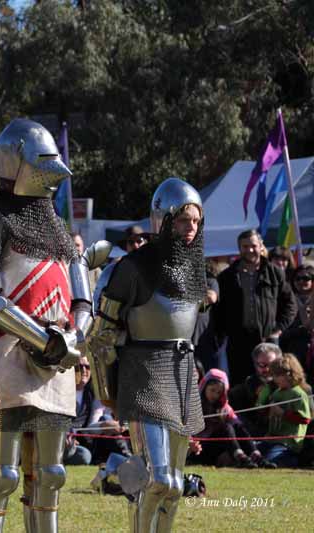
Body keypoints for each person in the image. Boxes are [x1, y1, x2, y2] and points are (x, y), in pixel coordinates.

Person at [0, 118, 91, 533]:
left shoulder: (60, 233)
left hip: (57, 366)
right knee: (0, 477)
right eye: (44, 162)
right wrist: (42, 338)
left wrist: (72, 339)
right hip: (5, 361)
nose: (52, 174)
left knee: (50, 477)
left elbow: (82, 300)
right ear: (16, 164)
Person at [87, 177, 206, 532]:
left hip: (182, 374)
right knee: (159, 480)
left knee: (174, 490)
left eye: (197, 221)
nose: (190, 228)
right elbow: (100, 337)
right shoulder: (132, 268)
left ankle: (115, 473)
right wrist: (104, 390)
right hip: (144, 373)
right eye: (184, 220)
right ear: (164, 219)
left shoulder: (193, 269)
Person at [214, 229, 297, 385]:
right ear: (239, 249)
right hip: (238, 343)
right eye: (245, 246)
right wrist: (224, 333)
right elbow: (218, 311)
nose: (250, 250)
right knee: (242, 385)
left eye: (253, 245)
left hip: (268, 341)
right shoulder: (226, 277)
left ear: (261, 245)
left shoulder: (275, 273)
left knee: (274, 383)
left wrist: (278, 329)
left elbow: (290, 305)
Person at [192, 369, 263, 468]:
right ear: (204, 387)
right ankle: (239, 457)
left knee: (237, 426)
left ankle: (256, 456)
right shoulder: (192, 405)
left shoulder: (223, 408)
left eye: (219, 393)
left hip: (215, 447)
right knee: (226, 427)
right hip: (196, 449)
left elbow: (237, 425)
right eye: (212, 390)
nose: (215, 395)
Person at [257, 353, 312, 467]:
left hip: (288, 443)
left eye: (277, 375)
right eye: (274, 375)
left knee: (270, 460)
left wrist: (282, 413)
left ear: (290, 374)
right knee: (253, 451)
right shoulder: (277, 392)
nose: (274, 379)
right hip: (271, 439)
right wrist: (265, 409)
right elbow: (269, 414)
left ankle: (291, 461)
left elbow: (305, 419)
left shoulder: (298, 393)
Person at [228, 342, 281, 437]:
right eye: (262, 365)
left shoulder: (287, 386)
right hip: (253, 438)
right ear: (255, 364)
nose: (267, 369)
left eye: (271, 365)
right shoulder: (242, 390)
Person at [93, 225, 148, 310]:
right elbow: (97, 300)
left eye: (139, 241)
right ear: (126, 246)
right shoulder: (113, 269)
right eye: (131, 242)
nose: (136, 245)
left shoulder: (155, 269)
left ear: (145, 243)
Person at [281, 265, 314, 374]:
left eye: (305, 278)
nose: (301, 281)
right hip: (295, 354)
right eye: (297, 278)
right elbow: (282, 331)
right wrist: (301, 330)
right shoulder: (287, 301)